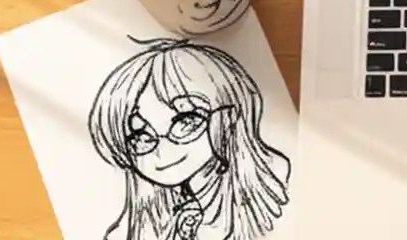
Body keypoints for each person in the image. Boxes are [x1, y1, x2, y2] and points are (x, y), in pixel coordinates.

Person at [88, 38, 290, 240]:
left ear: (229, 115)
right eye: (140, 135)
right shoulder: (138, 229)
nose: (163, 148)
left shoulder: (279, 177)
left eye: (186, 120)